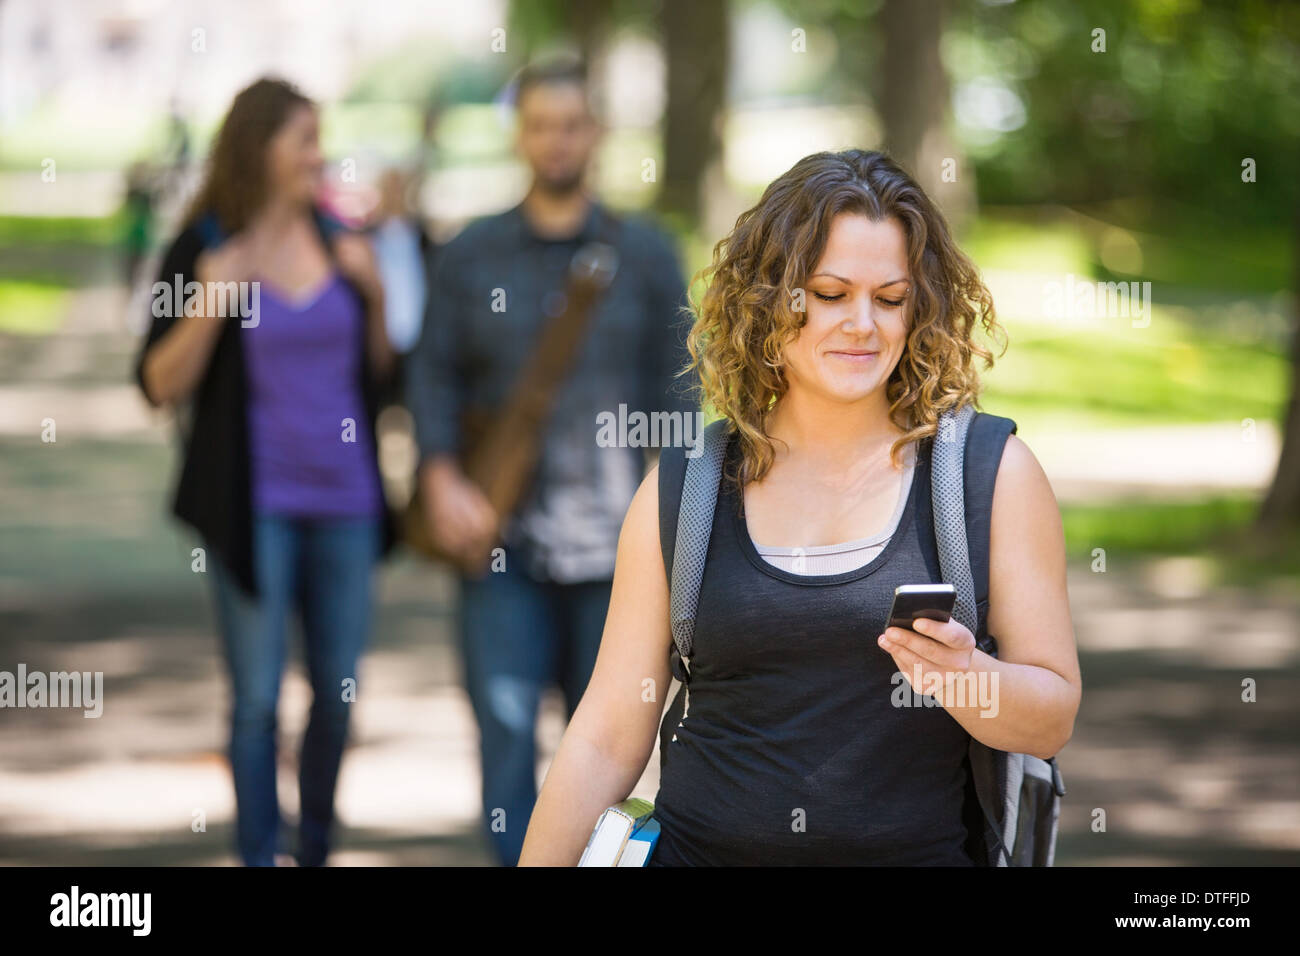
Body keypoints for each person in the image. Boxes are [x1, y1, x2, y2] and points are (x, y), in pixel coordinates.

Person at [517, 148, 1082, 866]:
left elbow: (1051, 719)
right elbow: (604, 736)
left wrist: (966, 677)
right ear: (771, 298)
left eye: (890, 298)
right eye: (830, 292)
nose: (863, 325)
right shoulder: (687, 484)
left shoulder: (989, 475)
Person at [405, 56, 694, 867]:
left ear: (594, 134)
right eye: (539, 125)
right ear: (519, 135)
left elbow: (680, 395)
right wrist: (439, 478)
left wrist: (666, 516)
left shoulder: (644, 253)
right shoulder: (471, 254)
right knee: (503, 735)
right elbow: (430, 375)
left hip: (615, 549)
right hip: (497, 539)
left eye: (571, 124)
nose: (556, 141)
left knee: (609, 744)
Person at [133, 76, 399, 866]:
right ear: (260, 149)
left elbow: (385, 379)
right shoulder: (206, 246)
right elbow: (156, 384)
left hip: (347, 500)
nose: (320, 158)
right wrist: (213, 298)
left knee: (338, 695)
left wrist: (376, 295)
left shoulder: (343, 243)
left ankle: (313, 848)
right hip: (255, 506)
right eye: (304, 141)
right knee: (255, 702)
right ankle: (258, 854)